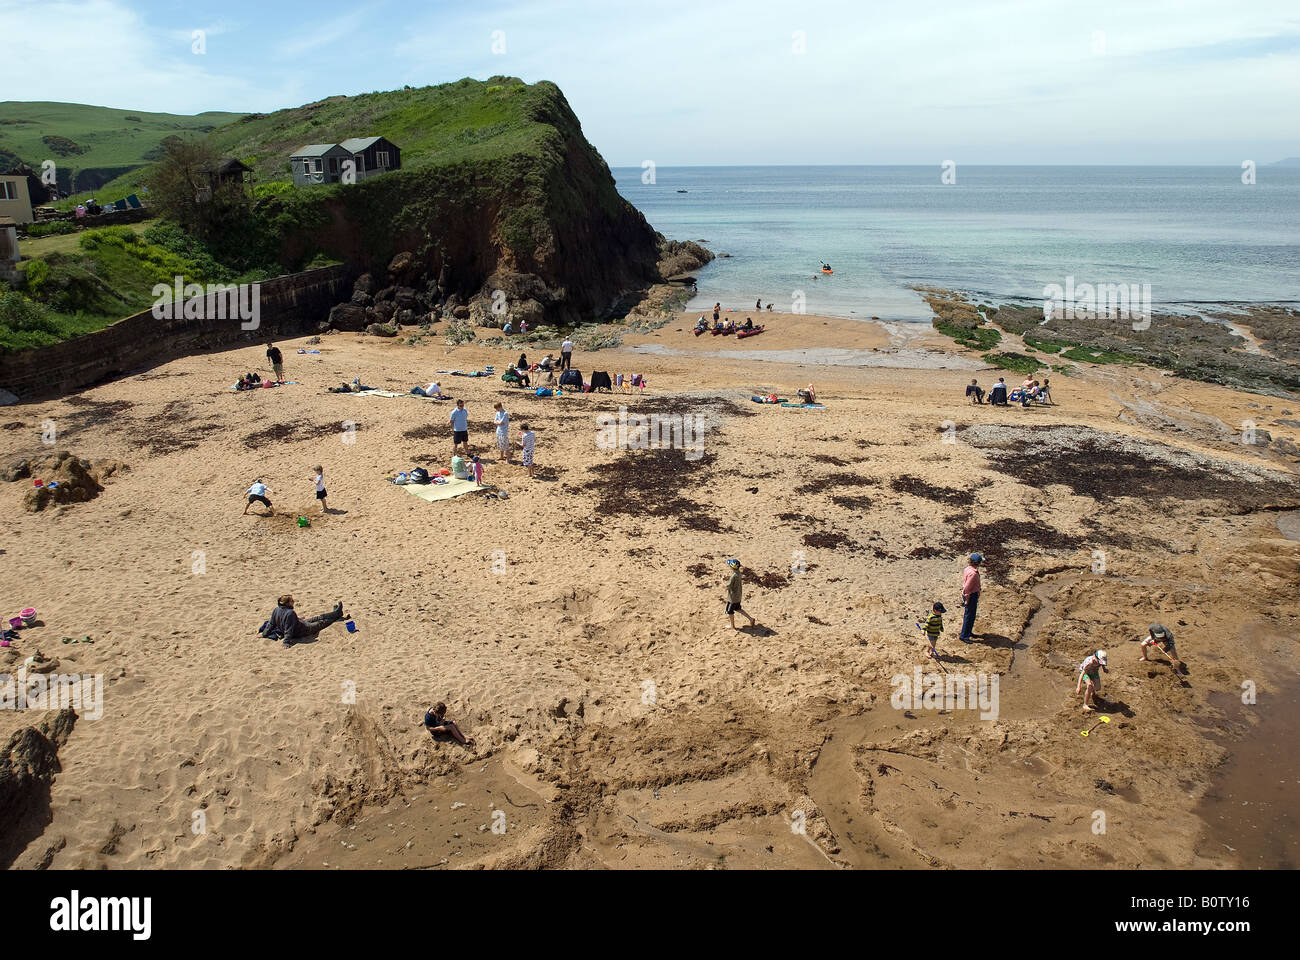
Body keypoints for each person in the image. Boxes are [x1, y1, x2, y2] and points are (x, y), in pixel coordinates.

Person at [265, 595, 346, 649]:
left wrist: (264, 633)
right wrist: (286, 642)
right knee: (322, 622)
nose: (294, 602)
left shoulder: (276, 609)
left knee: (317, 617)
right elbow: (288, 629)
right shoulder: (290, 613)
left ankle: (335, 613)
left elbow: (271, 624)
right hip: (303, 630)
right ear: (288, 603)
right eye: (292, 601)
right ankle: (337, 614)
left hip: (300, 623)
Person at [724, 558, 757, 630]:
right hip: (738, 596)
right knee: (738, 609)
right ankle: (751, 619)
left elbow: (728, 586)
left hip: (732, 598)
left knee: (729, 611)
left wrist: (722, 580)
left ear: (732, 567)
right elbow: (734, 582)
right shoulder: (739, 573)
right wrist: (728, 578)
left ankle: (732, 626)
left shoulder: (733, 576)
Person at [959, 552, 982, 643]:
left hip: (970, 595)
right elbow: (967, 588)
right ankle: (964, 636)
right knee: (969, 616)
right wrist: (967, 599)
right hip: (971, 596)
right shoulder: (973, 573)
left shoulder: (968, 569)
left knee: (970, 615)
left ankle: (968, 632)